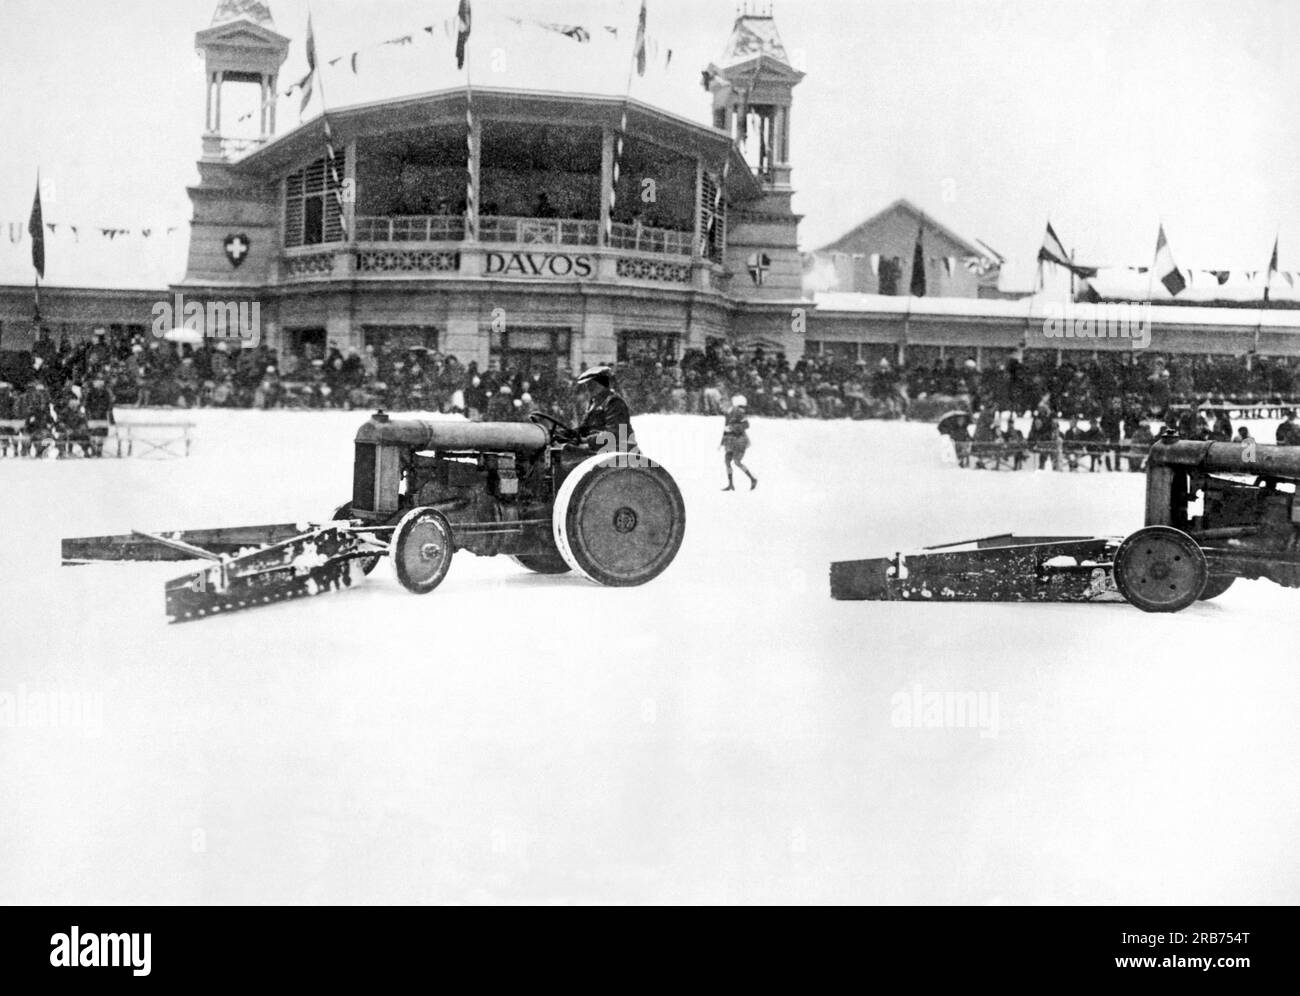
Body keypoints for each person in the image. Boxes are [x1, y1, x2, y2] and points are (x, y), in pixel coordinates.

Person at [574, 365, 637, 453]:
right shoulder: (594, 403)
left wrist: (586, 440)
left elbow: (613, 434)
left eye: (592, 384)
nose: (588, 388)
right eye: (587, 385)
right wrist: (571, 434)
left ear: (602, 384)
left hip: (619, 452)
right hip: (602, 449)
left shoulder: (614, 402)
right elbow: (585, 428)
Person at [720, 394, 758, 491]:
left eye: (722, 404)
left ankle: (753, 479)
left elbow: (746, 424)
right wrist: (722, 442)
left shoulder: (737, 412)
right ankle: (731, 484)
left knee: (737, 462)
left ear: (728, 404)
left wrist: (733, 428)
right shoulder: (727, 414)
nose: (720, 407)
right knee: (727, 461)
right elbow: (725, 429)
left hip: (740, 441)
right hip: (730, 441)